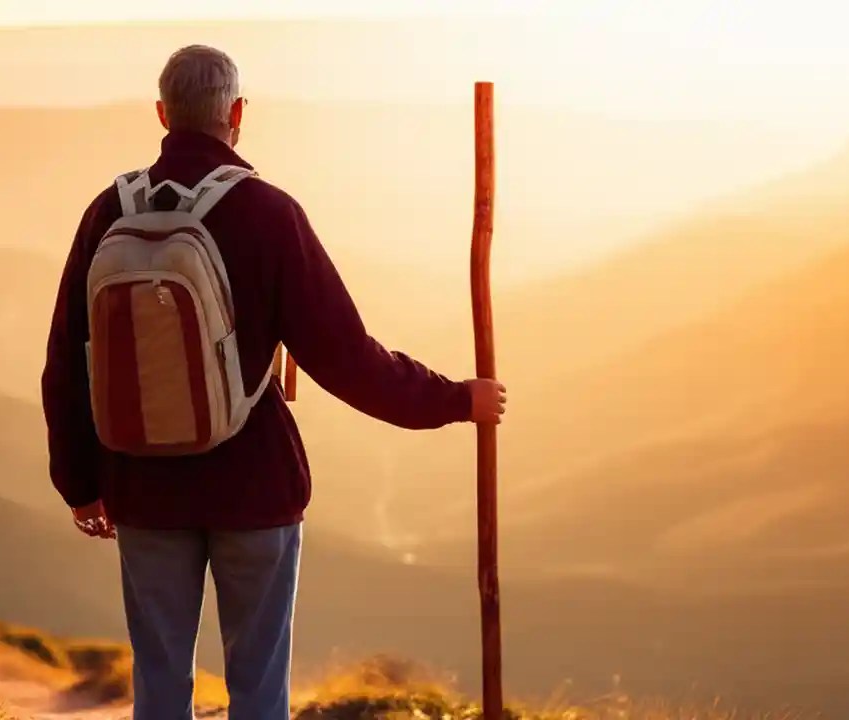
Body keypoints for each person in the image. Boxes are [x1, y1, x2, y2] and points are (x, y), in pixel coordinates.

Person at [41, 44, 507, 720]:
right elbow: (350, 359)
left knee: (161, 681)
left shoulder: (107, 212)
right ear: (236, 114)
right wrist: (456, 400)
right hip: (254, 489)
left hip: (141, 487)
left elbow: (66, 358)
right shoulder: (268, 213)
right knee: (257, 689)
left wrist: (80, 483)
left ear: (162, 113)